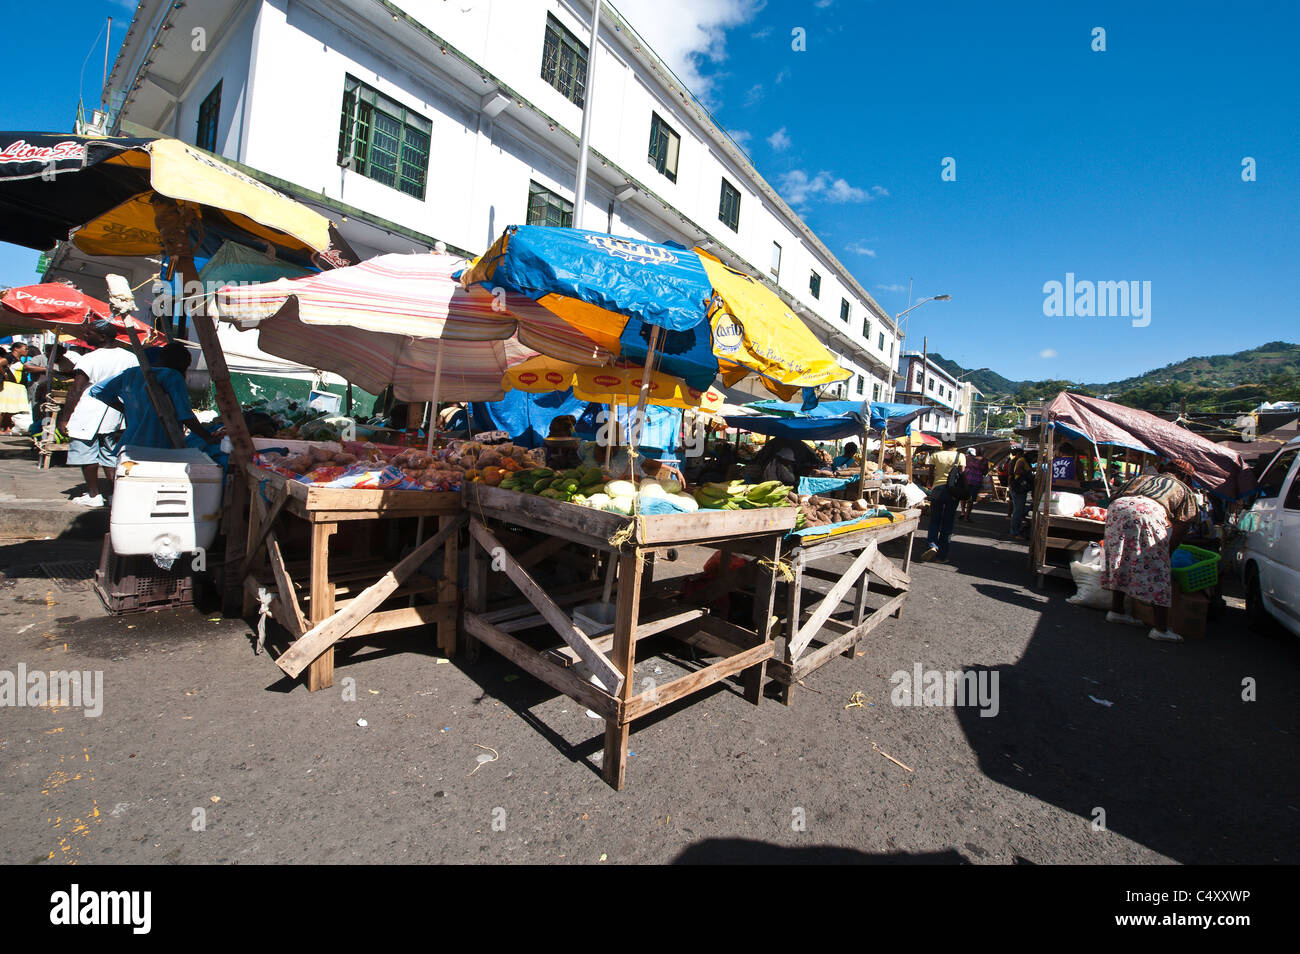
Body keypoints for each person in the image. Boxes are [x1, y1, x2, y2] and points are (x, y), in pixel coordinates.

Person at [1101, 459, 1199, 642]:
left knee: (1120, 558)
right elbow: (1183, 524)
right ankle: (1161, 629)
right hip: (1147, 511)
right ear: (1185, 476)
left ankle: (1116, 610)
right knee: (1158, 569)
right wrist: (1167, 553)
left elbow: (1113, 498)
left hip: (1117, 508)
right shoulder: (1183, 488)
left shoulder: (1143, 478)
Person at [56, 330, 140, 507]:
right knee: (110, 455)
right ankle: (115, 495)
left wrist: (65, 417)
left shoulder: (89, 358)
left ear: (103, 337)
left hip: (89, 410)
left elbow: (76, 389)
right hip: (116, 411)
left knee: (87, 455)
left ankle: (93, 494)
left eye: (89, 333)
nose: (85, 336)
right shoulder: (130, 357)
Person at [89, 342, 215, 453]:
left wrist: (126, 409)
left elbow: (98, 390)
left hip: (131, 440)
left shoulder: (130, 373)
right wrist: (207, 437)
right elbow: (185, 415)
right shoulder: (172, 375)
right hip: (159, 441)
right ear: (182, 364)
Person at [920, 440, 966, 562]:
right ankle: (942, 556)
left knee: (935, 519)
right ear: (955, 446)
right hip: (953, 491)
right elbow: (962, 474)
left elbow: (930, 474)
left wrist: (930, 485)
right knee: (948, 522)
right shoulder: (960, 456)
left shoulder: (935, 455)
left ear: (943, 445)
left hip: (937, 489)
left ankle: (932, 545)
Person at [1008, 446, 1033, 539]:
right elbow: (1016, 471)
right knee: (1017, 510)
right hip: (1018, 487)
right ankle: (1015, 532)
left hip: (1017, 487)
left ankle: (1016, 530)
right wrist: (1029, 471)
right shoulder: (1021, 460)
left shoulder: (1020, 460)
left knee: (1018, 509)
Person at [0, 355, 29, 434]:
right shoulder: (10, 357)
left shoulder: (17, 359)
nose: (27, 350)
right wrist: (5, 374)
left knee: (11, 409)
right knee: (3, 408)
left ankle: (6, 427)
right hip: (9, 386)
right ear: (16, 348)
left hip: (17, 387)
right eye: (25, 348)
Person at [959, 447, 988, 521]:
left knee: (963, 496)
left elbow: (963, 467)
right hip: (976, 481)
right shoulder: (984, 461)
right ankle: (967, 517)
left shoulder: (969, 458)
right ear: (983, 453)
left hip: (966, 479)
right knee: (971, 499)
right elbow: (985, 472)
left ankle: (962, 512)